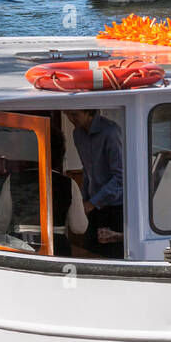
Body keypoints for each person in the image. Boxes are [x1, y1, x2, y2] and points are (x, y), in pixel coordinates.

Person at [64, 108, 124, 257]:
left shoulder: (111, 132)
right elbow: (87, 171)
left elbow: (121, 177)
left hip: (115, 207)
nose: (71, 119)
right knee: (89, 252)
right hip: (93, 205)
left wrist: (91, 203)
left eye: (74, 114)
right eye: (67, 115)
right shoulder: (77, 134)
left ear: (88, 113)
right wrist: (83, 200)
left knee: (112, 256)